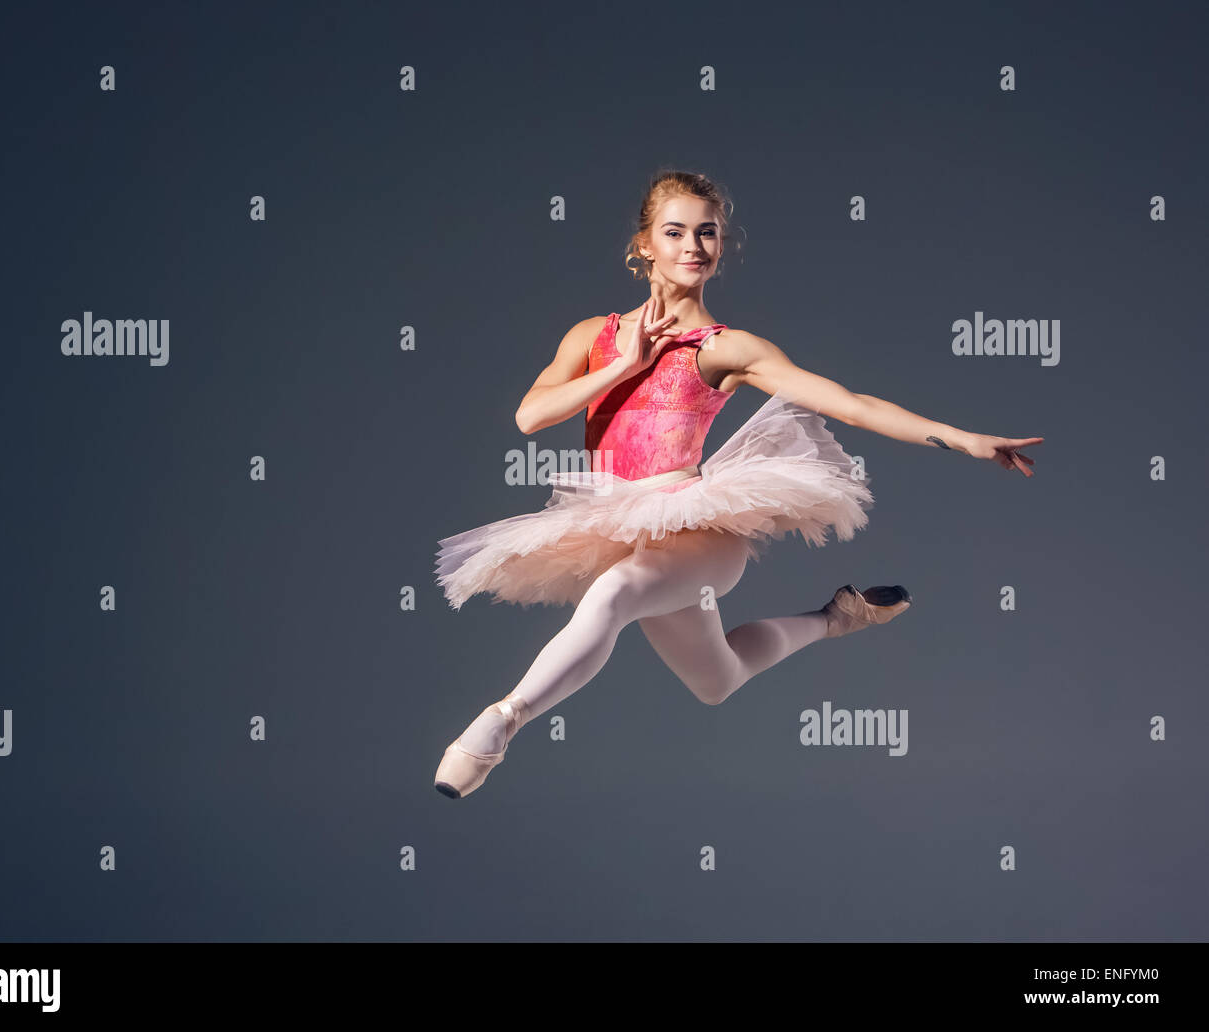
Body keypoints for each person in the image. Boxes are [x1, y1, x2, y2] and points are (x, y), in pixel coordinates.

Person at [433, 170, 1043, 798]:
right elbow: (531, 416)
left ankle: (500, 723)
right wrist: (623, 365)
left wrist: (965, 438)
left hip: (697, 525)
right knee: (717, 681)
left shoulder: (725, 349)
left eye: (708, 233)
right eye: (675, 232)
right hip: (620, 524)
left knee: (614, 594)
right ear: (645, 244)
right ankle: (838, 619)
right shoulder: (593, 336)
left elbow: (850, 403)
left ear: (721, 246)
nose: (693, 246)